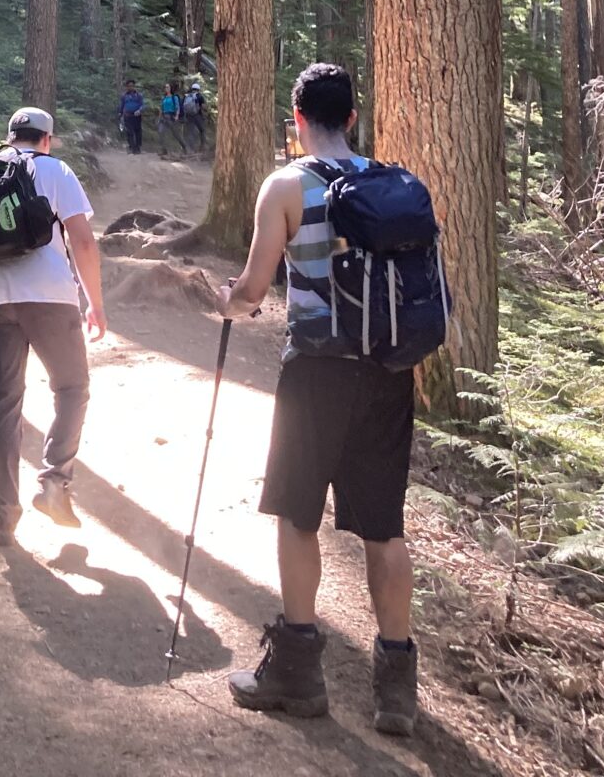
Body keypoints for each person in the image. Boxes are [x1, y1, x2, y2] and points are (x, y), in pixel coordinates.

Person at [214, 62, 420, 737]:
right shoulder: (397, 183)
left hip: (315, 372)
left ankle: (298, 673)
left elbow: (253, 289)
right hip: (388, 371)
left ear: (298, 119)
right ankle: (397, 690)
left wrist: (229, 303)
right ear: (352, 118)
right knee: (384, 528)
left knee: (297, 515)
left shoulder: (286, 186)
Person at [0, 106, 108, 547]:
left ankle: (2, 515)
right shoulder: (57, 171)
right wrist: (95, 303)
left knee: (2, 405)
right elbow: (83, 242)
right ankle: (54, 481)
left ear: (9, 136)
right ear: (46, 139)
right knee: (72, 388)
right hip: (49, 297)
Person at [181, 78, 207, 152]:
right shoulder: (199, 96)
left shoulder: (187, 96)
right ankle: (202, 147)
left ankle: (190, 148)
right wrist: (205, 111)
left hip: (188, 116)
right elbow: (203, 107)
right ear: (198, 89)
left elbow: (182, 106)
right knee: (202, 130)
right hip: (197, 115)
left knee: (190, 132)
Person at [118, 81, 145, 154]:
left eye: (132, 86)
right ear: (127, 87)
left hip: (137, 115)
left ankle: (138, 147)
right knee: (129, 131)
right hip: (128, 115)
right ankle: (132, 147)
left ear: (134, 86)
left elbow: (142, 105)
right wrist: (120, 113)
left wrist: (140, 110)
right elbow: (122, 105)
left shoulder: (139, 95)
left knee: (138, 131)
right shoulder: (124, 96)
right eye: (129, 86)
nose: (131, 87)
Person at [159, 83, 183, 156]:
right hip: (164, 117)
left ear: (171, 88)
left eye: (168, 87)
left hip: (171, 116)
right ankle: (164, 150)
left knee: (176, 134)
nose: (166, 89)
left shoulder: (174, 97)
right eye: (165, 87)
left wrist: (177, 116)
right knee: (161, 132)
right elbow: (161, 108)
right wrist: (160, 116)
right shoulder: (164, 98)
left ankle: (184, 147)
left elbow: (177, 107)